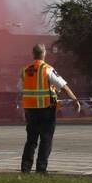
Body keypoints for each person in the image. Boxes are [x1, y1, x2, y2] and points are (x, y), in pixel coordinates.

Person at [20, 43, 79, 173]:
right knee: (46, 140)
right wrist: (75, 99)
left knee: (31, 140)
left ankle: (25, 168)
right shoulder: (47, 69)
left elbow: (20, 88)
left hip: (30, 110)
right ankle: (41, 169)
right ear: (44, 53)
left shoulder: (25, 70)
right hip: (46, 110)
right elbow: (63, 86)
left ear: (33, 54)